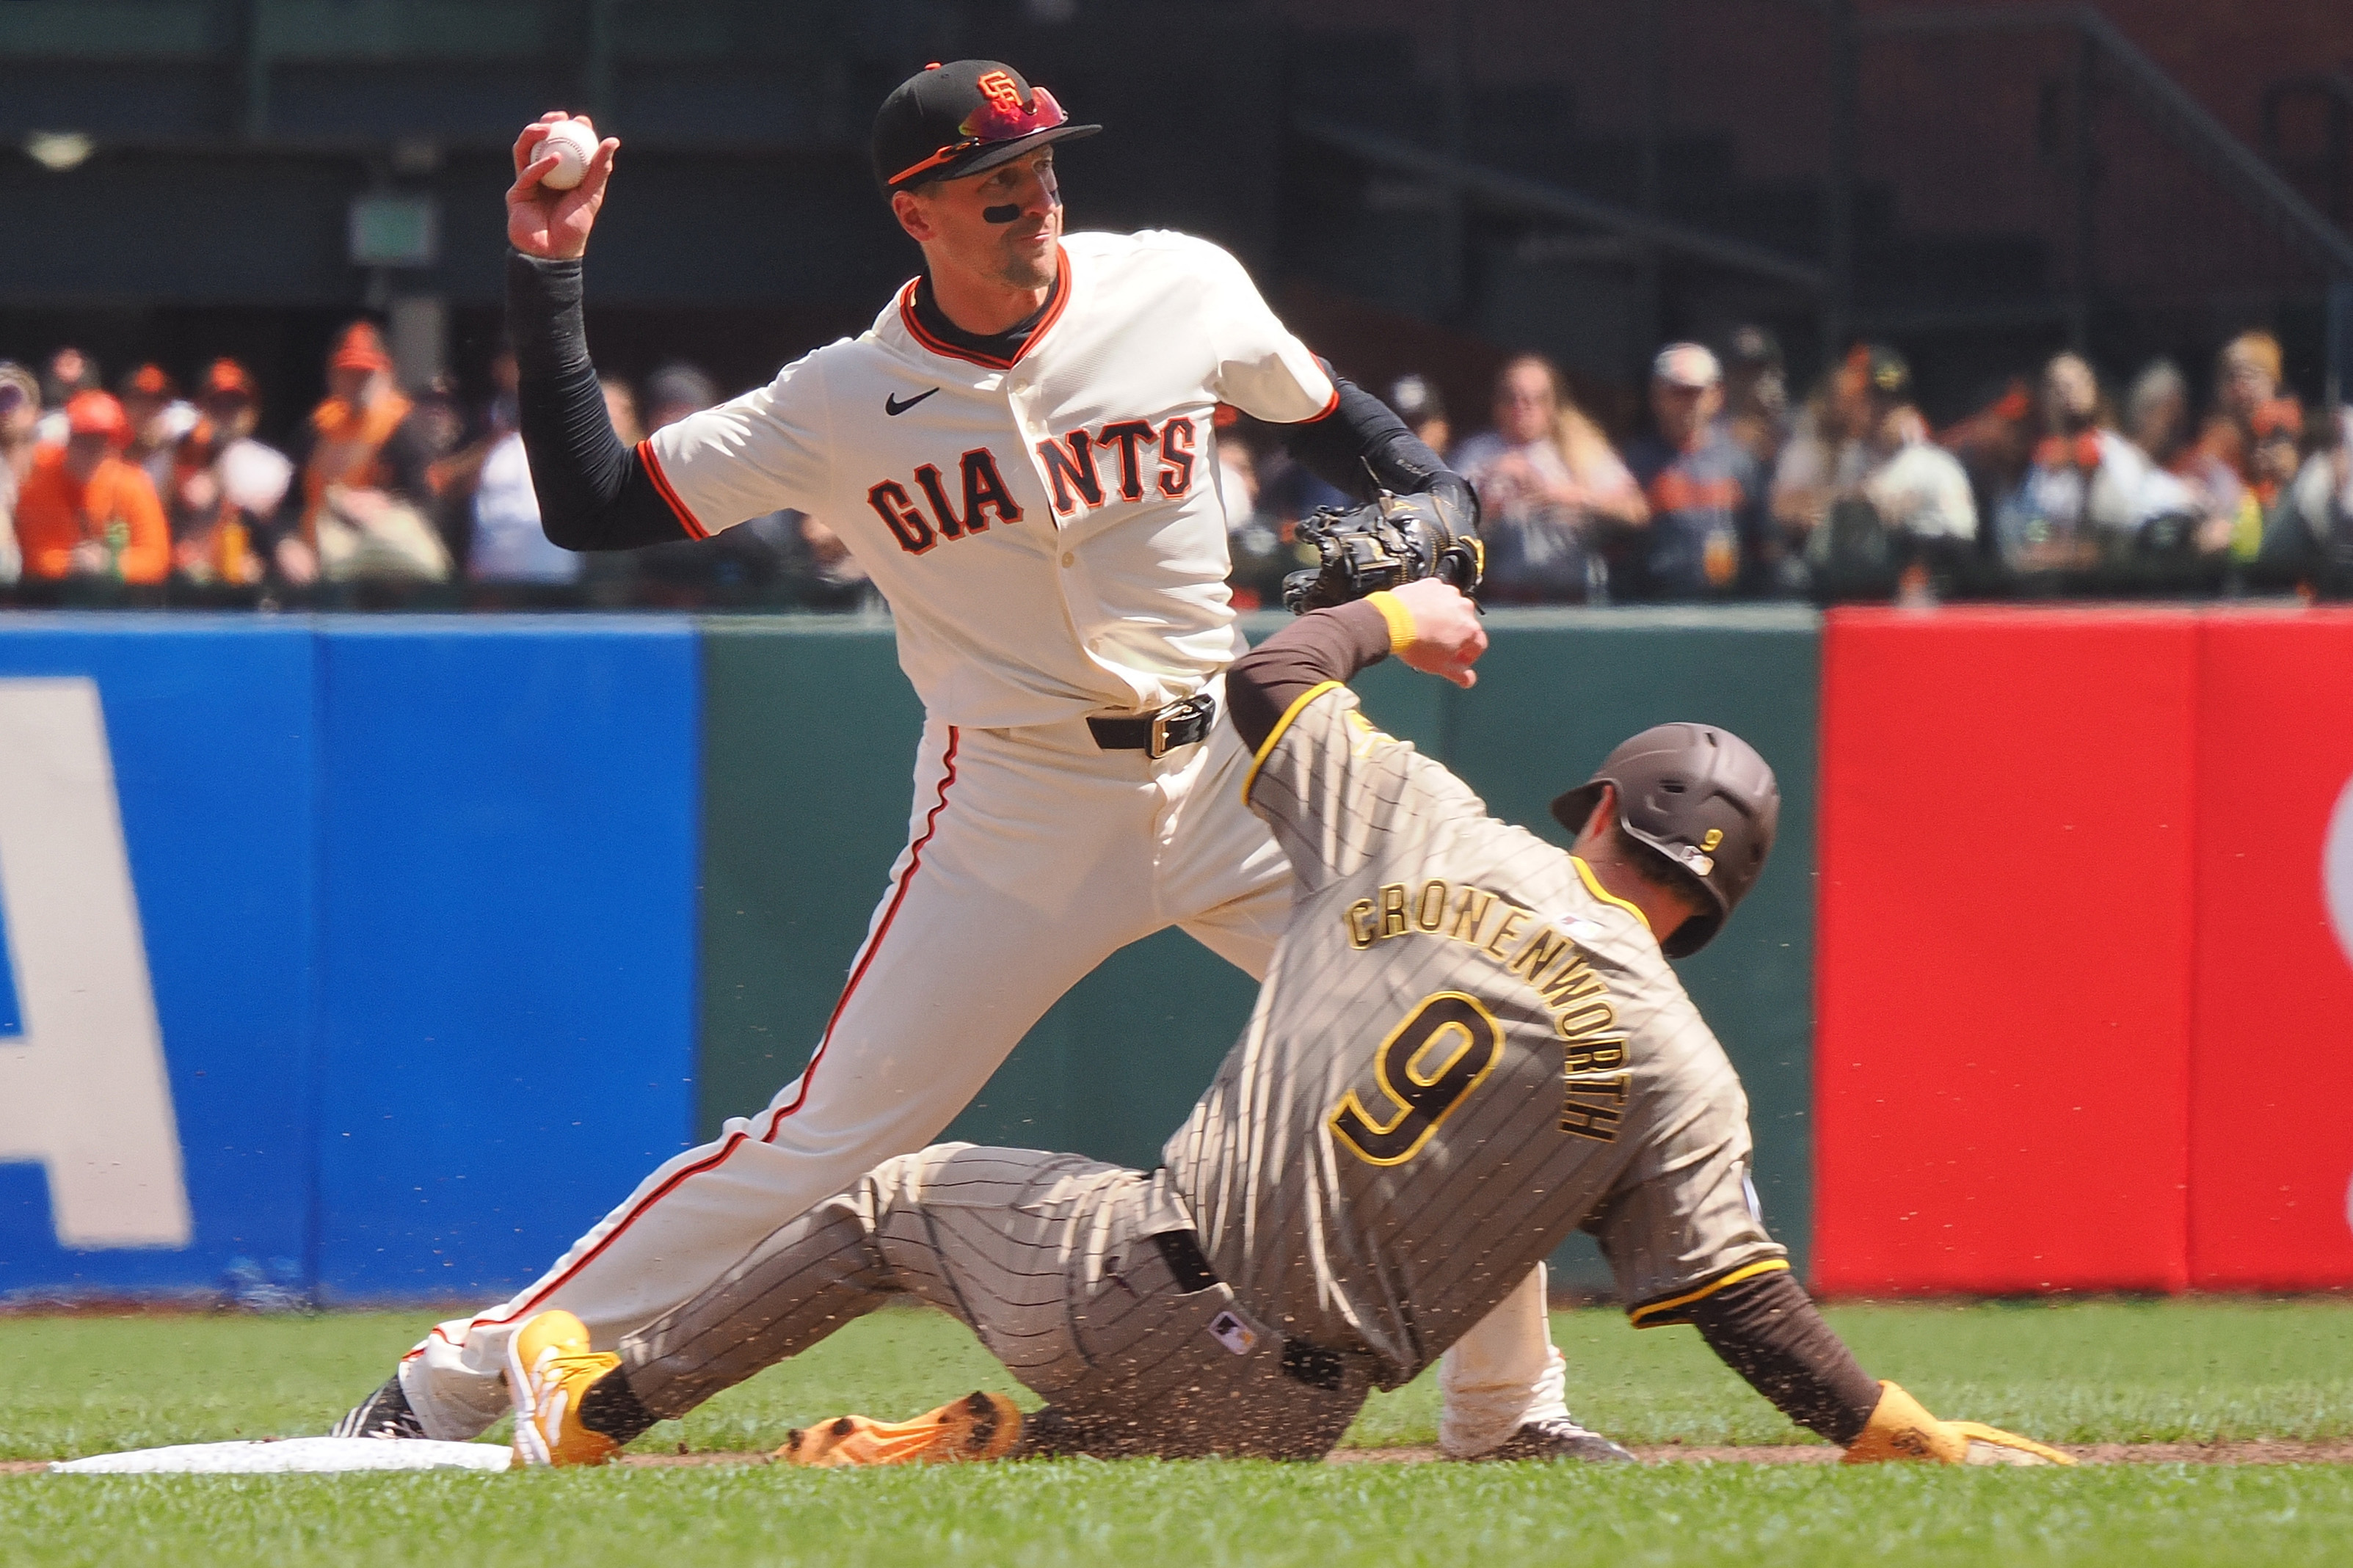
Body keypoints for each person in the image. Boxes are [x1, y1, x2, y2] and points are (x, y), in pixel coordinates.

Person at [335, 59, 1578, 1465]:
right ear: (914, 211)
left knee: (1455, 1045)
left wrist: (1433, 501)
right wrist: (546, 269)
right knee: (826, 1137)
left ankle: (1511, 1414)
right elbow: (594, 502)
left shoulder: (1174, 287)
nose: (1034, 203)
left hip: (1243, 759)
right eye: (997, 187)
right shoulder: (841, 400)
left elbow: (1353, 430)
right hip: (1018, 797)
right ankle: (459, 1374)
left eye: (1045, 171)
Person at [498, 577, 2071, 1473]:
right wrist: (1894, 1426)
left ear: (1597, 806)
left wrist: (1391, 609)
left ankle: (599, 1404)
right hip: (1294, 1417)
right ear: (1717, 900)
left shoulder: (1435, 829)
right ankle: (953, 1454)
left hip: (1142, 1282)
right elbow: (1744, 1307)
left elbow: (1266, 675)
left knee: (887, 1201)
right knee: (1113, 1454)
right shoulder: (1679, 1067)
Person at [1454, 354, 1646, 602]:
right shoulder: (1477, 454)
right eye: (1512, 398)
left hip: (1571, 601)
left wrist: (1577, 497)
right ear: (1498, 404)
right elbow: (1446, 528)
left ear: (1552, 405)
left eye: (1534, 399)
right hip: (1501, 599)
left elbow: (1636, 512)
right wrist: (1486, 504)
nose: (1522, 407)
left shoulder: (1581, 450)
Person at [283, 321, 448, 585]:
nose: (358, 382)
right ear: (333, 376)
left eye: (366, 372)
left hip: (385, 574)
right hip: (319, 573)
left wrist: (386, 504)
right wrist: (287, 543)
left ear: (387, 373)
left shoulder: (405, 430)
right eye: (349, 372)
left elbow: (433, 504)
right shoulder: (316, 428)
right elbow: (289, 505)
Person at [1995, 351, 2161, 577]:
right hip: (2039, 587)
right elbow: (2022, 532)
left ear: (2093, 389)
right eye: (2056, 386)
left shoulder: (2116, 455)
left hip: (2107, 585)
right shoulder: (2029, 463)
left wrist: (2090, 477)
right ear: (2043, 397)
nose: (2068, 391)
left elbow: (2120, 531)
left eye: (2076, 383)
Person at [1621, 343, 1765, 600]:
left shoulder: (1740, 461)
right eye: (1676, 392)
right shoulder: (1636, 462)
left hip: (1728, 604)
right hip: (1657, 605)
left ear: (1716, 396)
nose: (1686, 403)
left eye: (1695, 393)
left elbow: (1762, 539)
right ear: (1657, 397)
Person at [10, 391, 172, 586]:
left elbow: (156, 559)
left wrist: (109, 563)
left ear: (114, 446)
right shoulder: (40, 485)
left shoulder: (133, 485)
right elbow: (36, 558)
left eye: (102, 441)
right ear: (69, 440)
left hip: (122, 603)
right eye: (83, 439)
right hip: (53, 601)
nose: (91, 449)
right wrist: (72, 563)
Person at [168, 359, 294, 587]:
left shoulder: (273, 465)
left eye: (235, 403)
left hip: (243, 579)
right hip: (183, 578)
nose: (225, 411)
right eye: (216, 402)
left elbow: (268, 531)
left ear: (252, 411)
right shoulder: (177, 456)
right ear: (201, 407)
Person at [0, 360, 40, 586]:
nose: (3, 411)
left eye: (10, 399)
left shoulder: (57, 463)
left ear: (34, 412)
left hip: (52, 592)